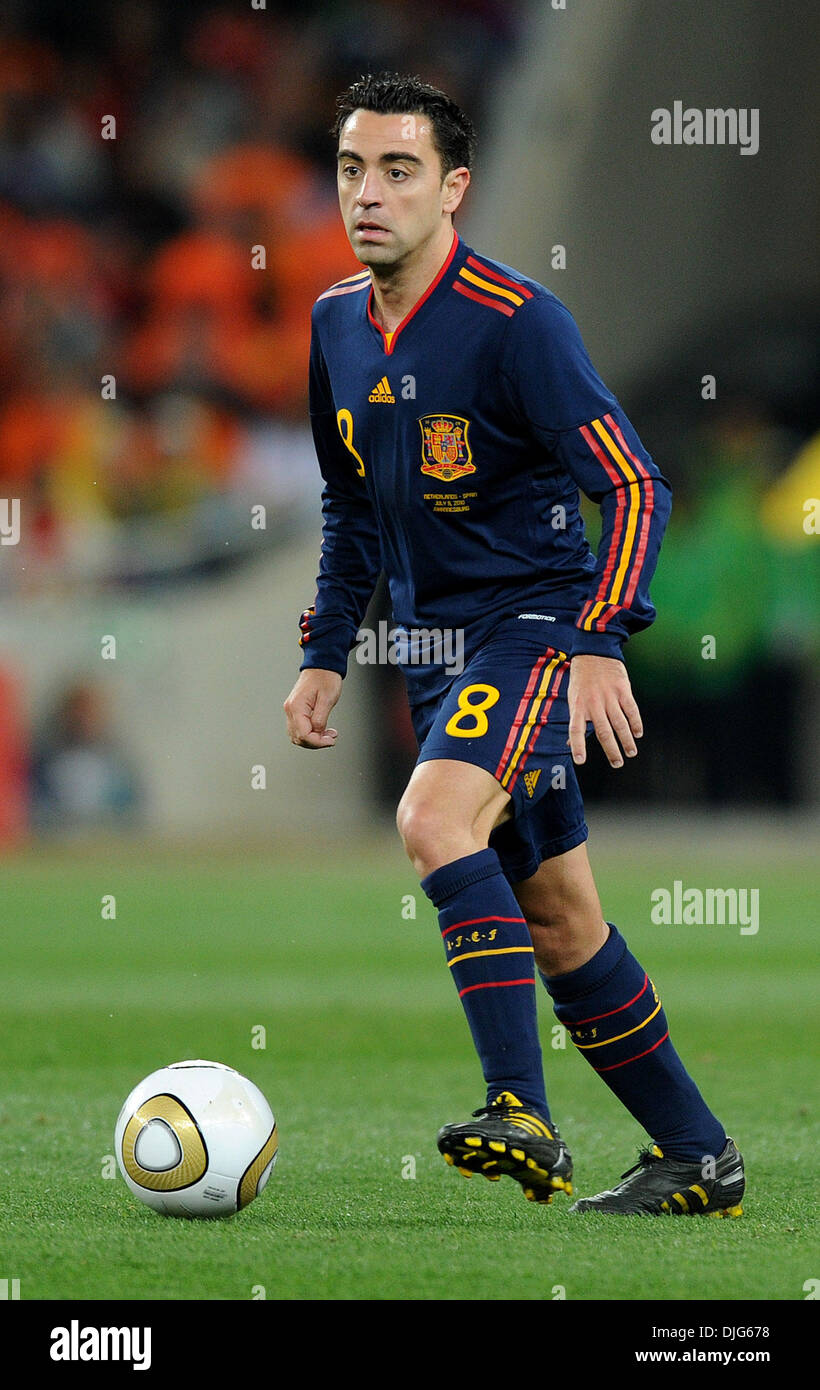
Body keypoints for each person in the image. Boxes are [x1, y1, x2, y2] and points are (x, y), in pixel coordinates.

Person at [283, 72, 744, 1216]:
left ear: (454, 188)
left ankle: (517, 1107)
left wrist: (597, 635)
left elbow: (634, 484)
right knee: (557, 916)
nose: (368, 193)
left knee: (433, 819)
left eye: (398, 170)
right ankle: (699, 1156)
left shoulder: (517, 323)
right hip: (438, 655)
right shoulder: (334, 323)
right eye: (351, 168)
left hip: (530, 629)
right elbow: (350, 509)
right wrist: (324, 651)